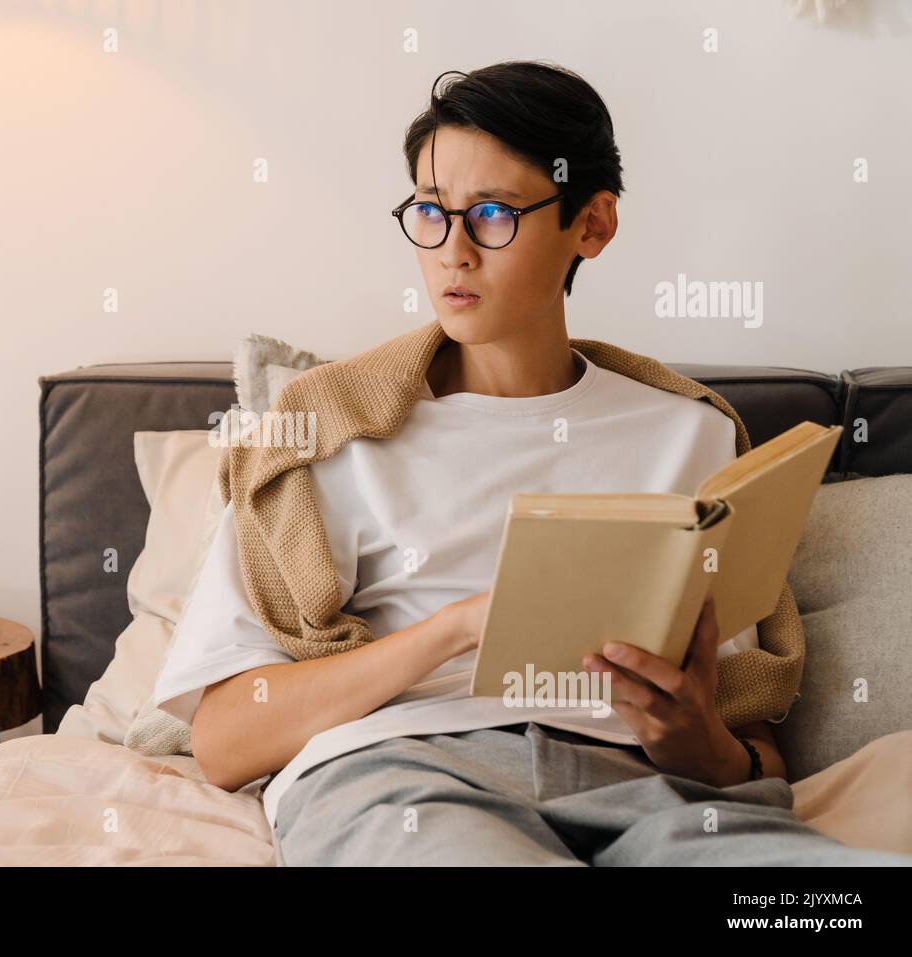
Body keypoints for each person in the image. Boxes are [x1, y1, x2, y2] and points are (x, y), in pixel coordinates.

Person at [151, 61, 912, 866]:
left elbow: (750, 750)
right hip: (405, 778)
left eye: (491, 214)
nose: (453, 252)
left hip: (649, 788)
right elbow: (226, 741)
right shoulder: (322, 430)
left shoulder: (687, 433)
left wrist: (694, 739)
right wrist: (460, 626)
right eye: (429, 213)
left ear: (592, 224)